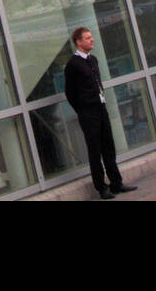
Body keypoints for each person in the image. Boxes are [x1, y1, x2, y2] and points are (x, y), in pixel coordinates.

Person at [64, 26, 136, 199]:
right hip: (88, 112)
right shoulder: (73, 65)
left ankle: (116, 183)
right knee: (95, 151)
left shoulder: (93, 59)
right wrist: (83, 108)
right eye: (88, 38)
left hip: (101, 108)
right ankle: (101, 188)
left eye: (91, 37)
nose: (92, 39)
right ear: (78, 42)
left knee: (108, 147)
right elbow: (70, 93)